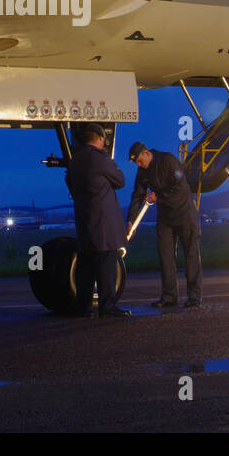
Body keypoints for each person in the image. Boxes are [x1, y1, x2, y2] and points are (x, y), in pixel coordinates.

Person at [65, 123, 130, 318]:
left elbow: (69, 182)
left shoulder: (75, 160)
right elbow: (120, 180)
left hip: (84, 217)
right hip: (103, 221)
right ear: (100, 138)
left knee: (85, 266)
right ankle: (107, 305)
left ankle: (83, 306)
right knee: (106, 263)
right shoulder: (100, 159)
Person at [127, 141, 203, 308]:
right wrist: (131, 220)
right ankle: (169, 296)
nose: (139, 165)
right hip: (165, 218)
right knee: (165, 255)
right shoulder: (142, 172)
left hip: (184, 213)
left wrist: (158, 197)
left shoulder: (168, 160)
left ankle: (194, 296)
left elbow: (181, 187)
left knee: (191, 254)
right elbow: (138, 195)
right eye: (137, 163)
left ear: (146, 153)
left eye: (140, 161)